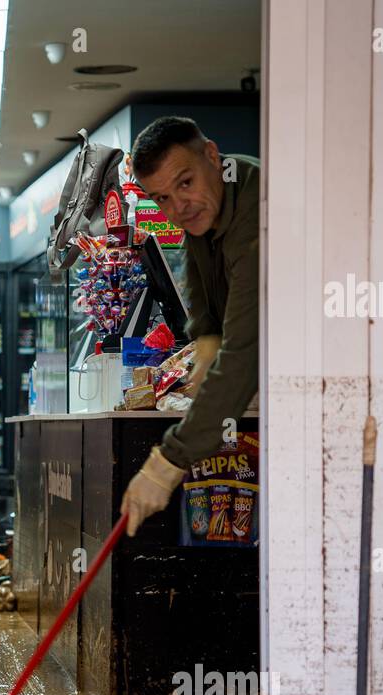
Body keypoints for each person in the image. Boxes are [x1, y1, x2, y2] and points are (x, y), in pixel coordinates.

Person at [120, 117, 261, 534]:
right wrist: (205, 335)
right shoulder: (211, 205)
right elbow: (196, 258)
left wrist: (167, 463)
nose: (178, 207)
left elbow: (243, 356)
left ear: (212, 156)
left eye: (185, 183)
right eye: (161, 197)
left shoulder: (258, 217)